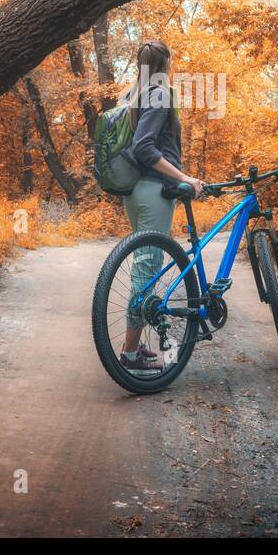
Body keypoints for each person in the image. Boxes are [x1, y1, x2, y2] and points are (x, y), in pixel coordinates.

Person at [120, 40, 205, 371]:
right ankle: (129, 353)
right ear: (165, 63)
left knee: (144, 266)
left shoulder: (135, 93)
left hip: (136, 192)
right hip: (154, 191)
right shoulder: (159, 93)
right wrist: (183, 177)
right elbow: (144, 148)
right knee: (146, 269)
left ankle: (133, 347)